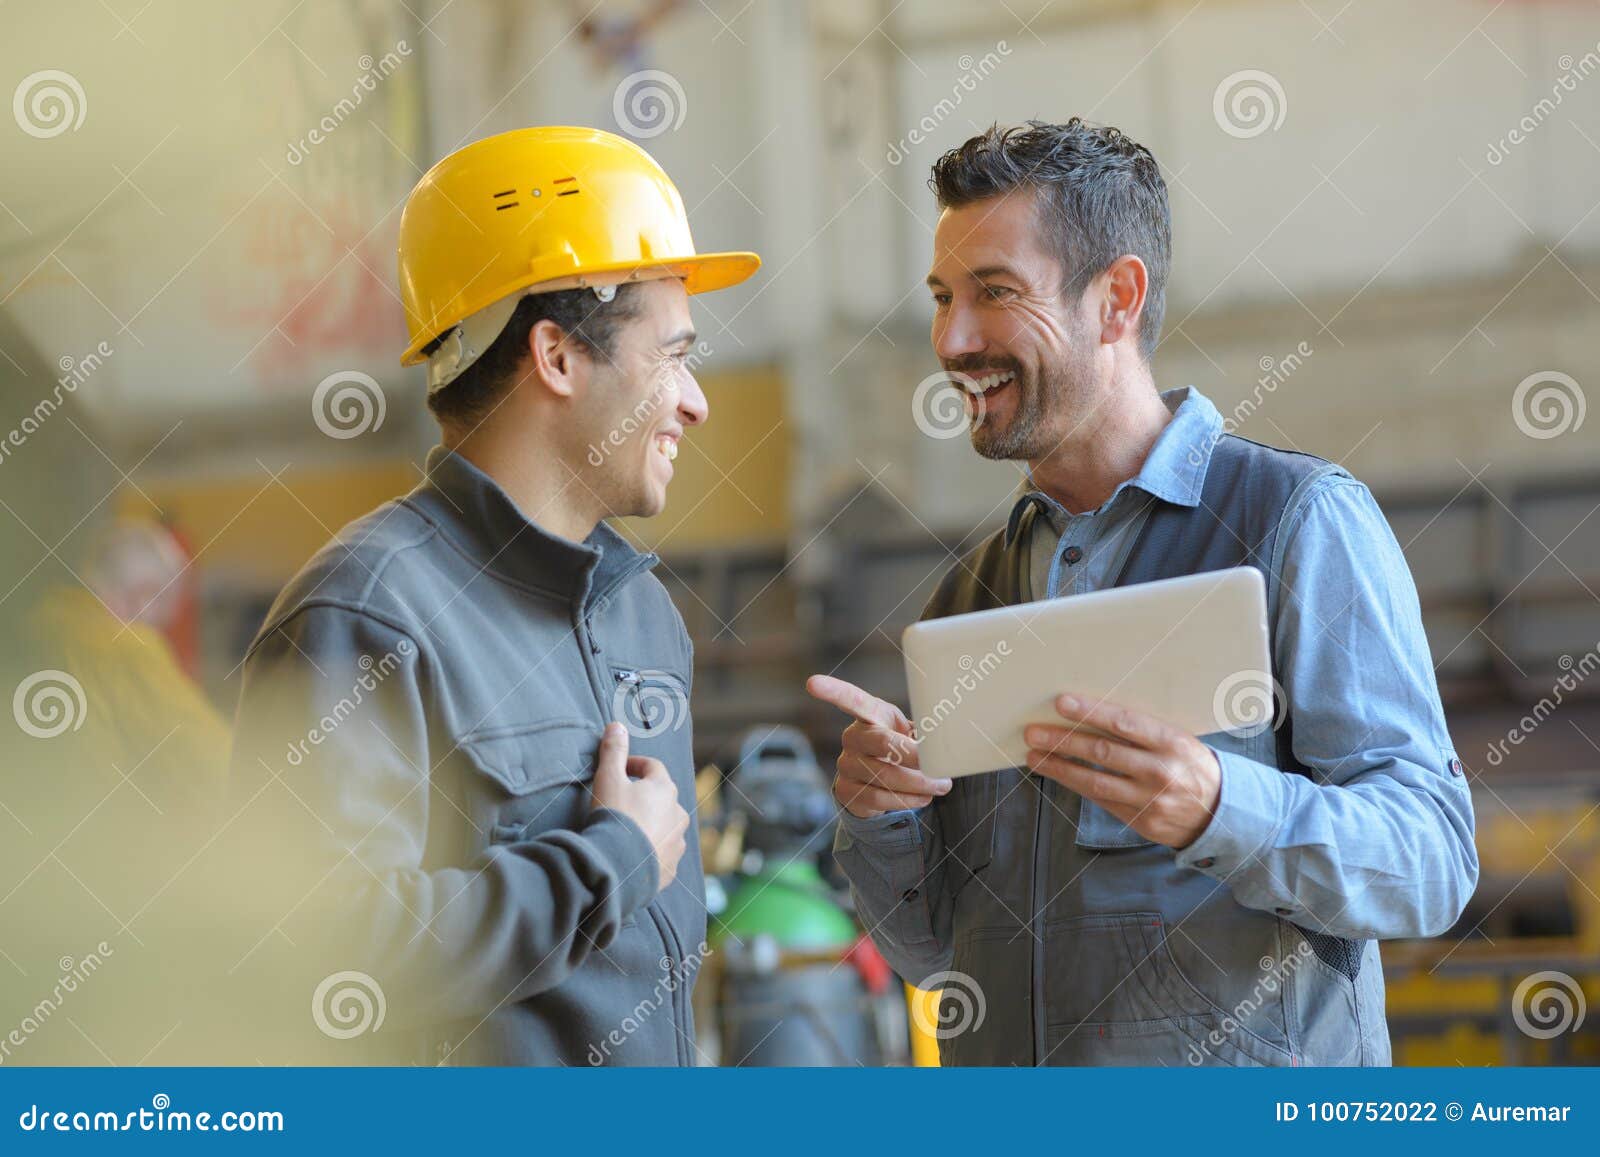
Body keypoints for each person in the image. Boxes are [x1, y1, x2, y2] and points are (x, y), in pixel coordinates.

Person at [808, 119, 1477, 1066]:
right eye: (943, 298)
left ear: (1116, 298)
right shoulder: (970, 596)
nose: (952, 339)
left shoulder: (1296, 523)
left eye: (995, 293)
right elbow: (933, 956)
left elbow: (1432, 861)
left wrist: (1217, 805)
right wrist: (885, 820)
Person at [228, 126, 759, 1065]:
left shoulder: (640, 614)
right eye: (671, 356)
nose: (695, 401)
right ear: (556, 356)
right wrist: (605, 866)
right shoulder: (364, 615)